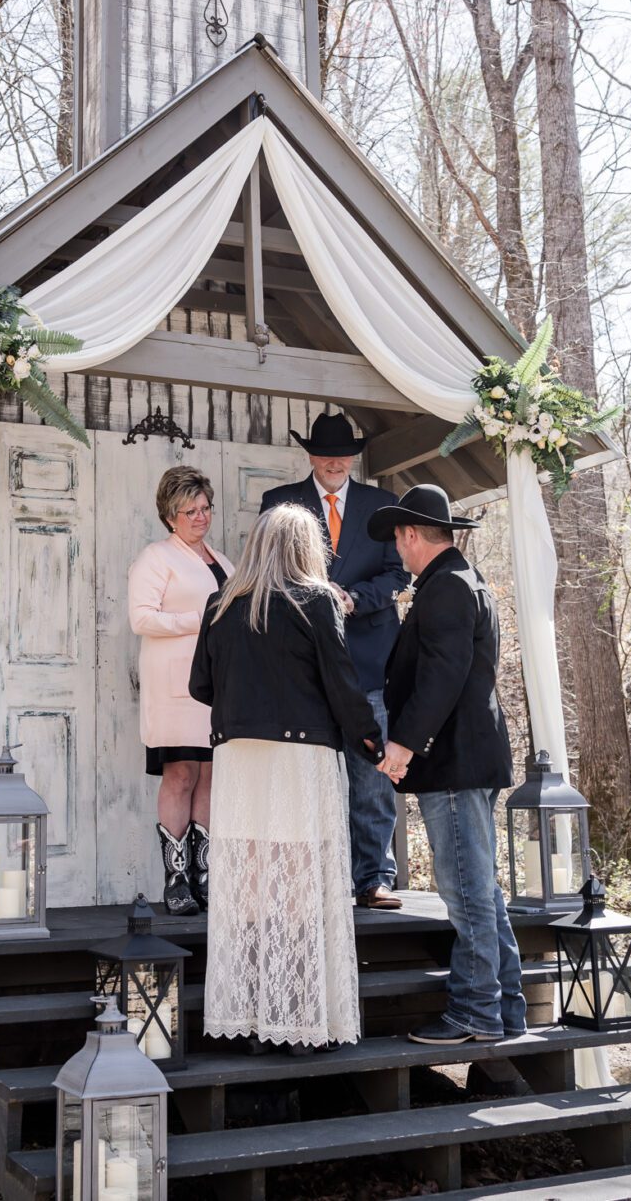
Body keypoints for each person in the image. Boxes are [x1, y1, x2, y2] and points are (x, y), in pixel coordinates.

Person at [189, 505, 381, 1054]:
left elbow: (201, 685)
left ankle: (249, 1016)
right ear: (307, 548)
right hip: (298, 755)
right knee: (296, 881)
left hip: (237, 754)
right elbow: (342, 684)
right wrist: (371, 739)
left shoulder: (220, 604)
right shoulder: (316, 600)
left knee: (248, 881)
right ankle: (295, 1021)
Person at [367, 484, 526, 1046]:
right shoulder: (463, 582)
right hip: (469, 756)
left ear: (412, 534)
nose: (398, 552)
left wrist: (403, 745)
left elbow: (443, 675)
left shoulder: (447, 590)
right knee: (480, 889)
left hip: (455, 761)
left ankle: (475, 1013)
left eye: (398, 541)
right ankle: (505, 1008)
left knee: (464, 891)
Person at [260, 411, 410, 911]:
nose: (335, 461)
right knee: (306, 781)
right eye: (326, 453)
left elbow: (397, 575)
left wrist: (354, 598)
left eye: (344, 454)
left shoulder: (382, 505)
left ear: (354, 458)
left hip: (369, 661)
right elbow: (270, 573)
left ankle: (373, 878)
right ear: (310, 456)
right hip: (302, 667)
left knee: (371, 778)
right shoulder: (278, 504)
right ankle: (312, 879)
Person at [126, 465, 232, 915]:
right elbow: (142, 619)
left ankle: (203, 876)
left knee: (210, 776)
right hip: (174, 688)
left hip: (216, 689)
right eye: (190, 511)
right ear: (170, 516)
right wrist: (200, 621)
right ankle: (176, 882)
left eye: (205, 508)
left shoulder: (224, 560)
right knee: (181, 775)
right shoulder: (156, 558)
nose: (200, 517)